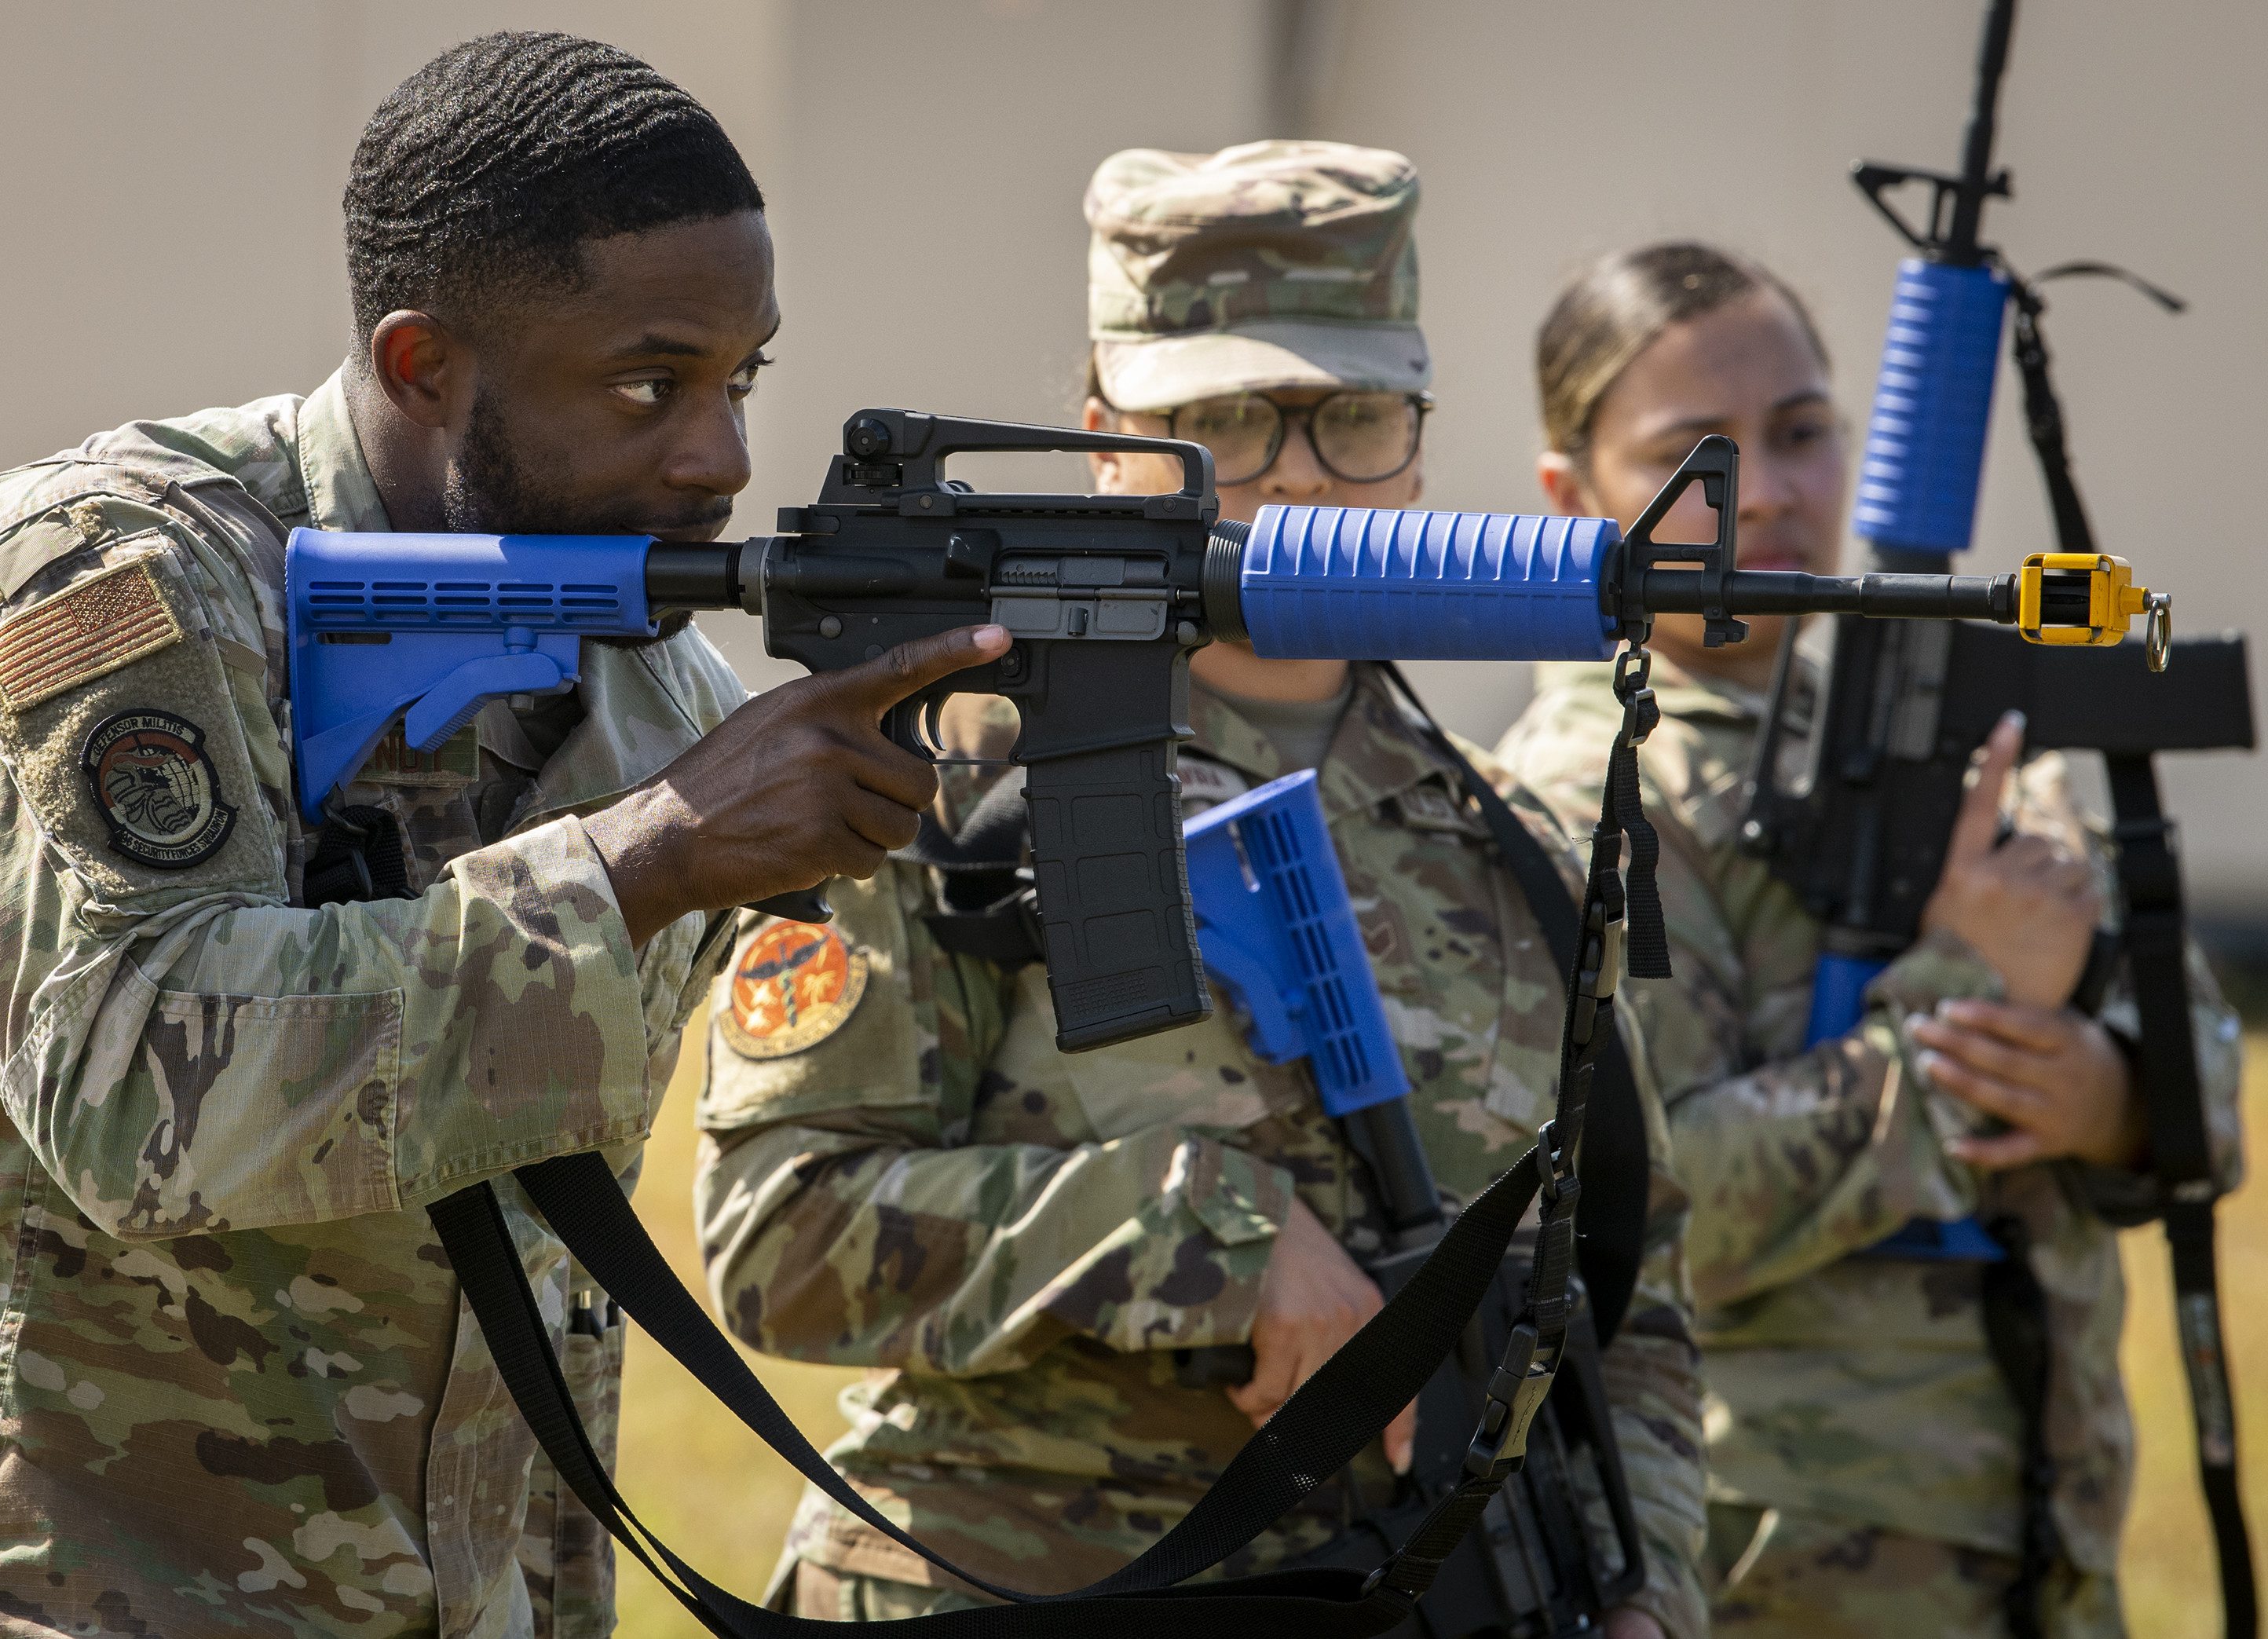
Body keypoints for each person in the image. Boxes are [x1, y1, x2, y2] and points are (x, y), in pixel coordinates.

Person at [0, 33, 1002, 1638]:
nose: (722, 458)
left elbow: (547, 1266)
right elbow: (133, 1084)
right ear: (426, 363)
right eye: (652, 382)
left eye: (739, 379)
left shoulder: (653, 686)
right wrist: (638, 866)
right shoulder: (103, 580)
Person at [696, 141, 1705, 1639]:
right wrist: (1205, 1245)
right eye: (1224, 415)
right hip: (1012, 1585)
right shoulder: (933, 782)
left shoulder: (1522, 847)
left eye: (1354, 415)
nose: (1297, 467)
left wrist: (1653, 1592)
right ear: (1108, 438)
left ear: (1418, 444)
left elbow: (1633, 1297)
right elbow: (777, 1235)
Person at [1494, 241, 2244, 1637]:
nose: (1768, 493)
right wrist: (1966, 995)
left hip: (2051, 1548)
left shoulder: (1976, 744)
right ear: (1572, 493)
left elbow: (2204, 1068)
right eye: (1696, 455)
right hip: (1761, 1572)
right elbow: (1663, 1213)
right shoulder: (1574, 800)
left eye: (1801, 433)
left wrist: (2109, 1089)